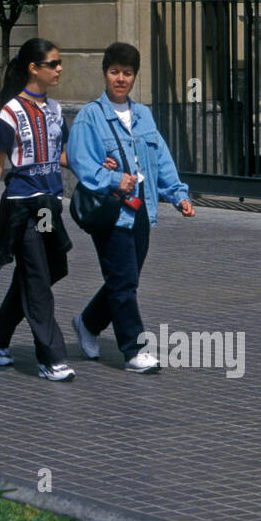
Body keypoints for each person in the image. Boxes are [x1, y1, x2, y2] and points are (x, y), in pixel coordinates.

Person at [67, 42, 195, 374]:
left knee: (126, 278)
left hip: (141, 209)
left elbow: (161, 159)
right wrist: (111, 178)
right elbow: (81, 162)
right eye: (114, 72)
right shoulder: (90, 116)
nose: (120, 79)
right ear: (105, 74)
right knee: (123, 280)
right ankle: (134, 350)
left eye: (127, 73)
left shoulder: (144, 116)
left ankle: (87, 323)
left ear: (135, 77)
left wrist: (178, 194)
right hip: (110, 211)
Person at [0, 38, 76, 382]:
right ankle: (52, 358)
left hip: (50, 204)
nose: (59, 69)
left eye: (60, 62)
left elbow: (60, 154)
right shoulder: (11, 112)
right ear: (34, 68)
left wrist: (97, 168)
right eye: (54, 63)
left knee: (48, 271)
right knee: (36, 279)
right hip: (22, 206)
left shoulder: (54, 110)